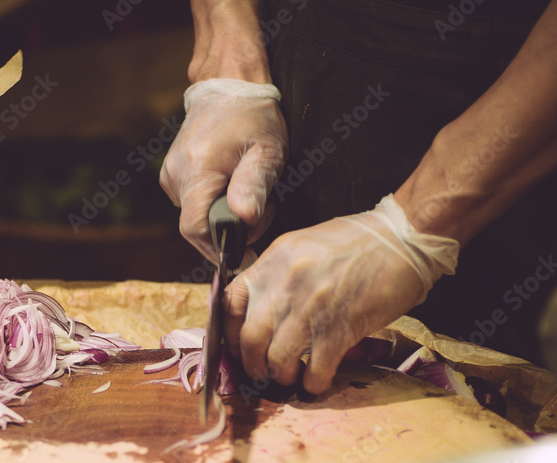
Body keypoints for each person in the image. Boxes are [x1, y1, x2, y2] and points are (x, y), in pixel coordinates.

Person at [160, 0, 557, 395]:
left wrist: (415, 228)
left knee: (480, 385)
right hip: (301, 39)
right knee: (282, 337)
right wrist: (228, 65)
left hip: (512, 89)